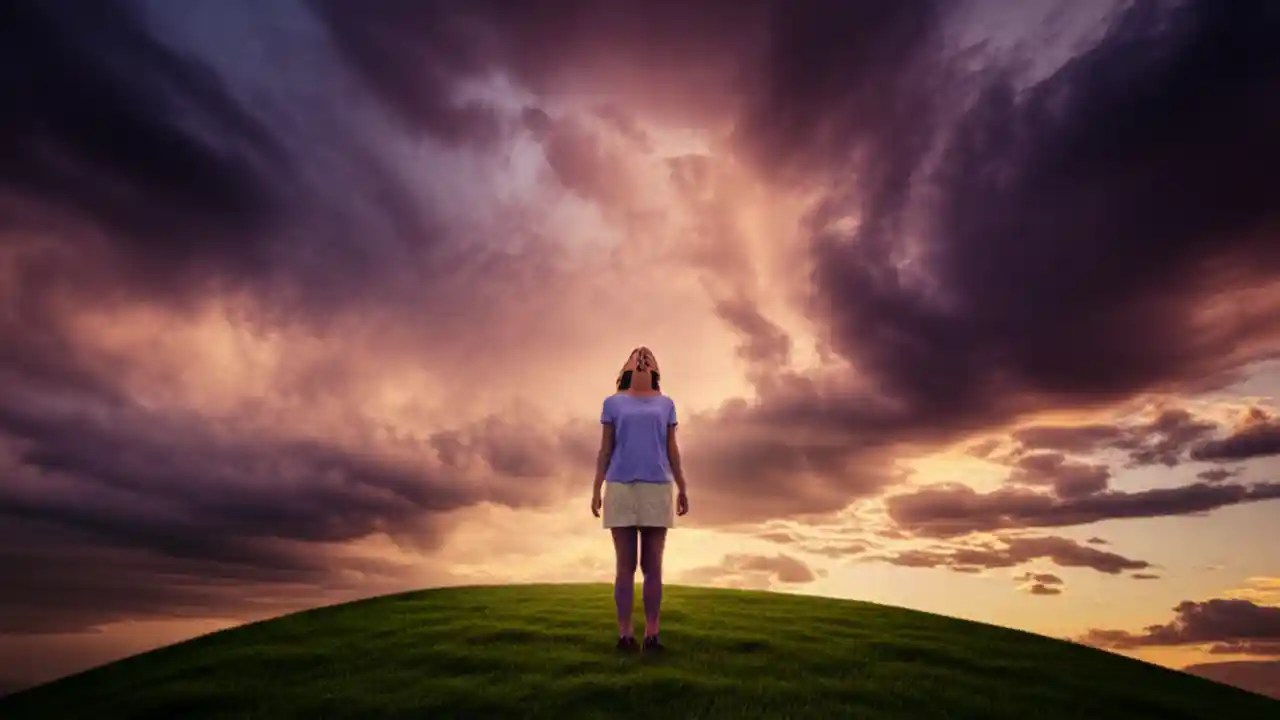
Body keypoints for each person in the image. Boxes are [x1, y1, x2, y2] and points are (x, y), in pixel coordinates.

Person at [592, 346, 689, 653]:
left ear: (656, 370)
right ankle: (624, 634)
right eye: (637, 354)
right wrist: (596, 488)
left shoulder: (666, 404)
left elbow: (672, 449)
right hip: (620, 487)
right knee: (625, 566)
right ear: (627, 368)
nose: (643, 355)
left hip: (657, 487)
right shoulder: (612, 403)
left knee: (652, 565)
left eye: (648, 354)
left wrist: (683, 487)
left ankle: (652, 633)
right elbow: (605, 449)